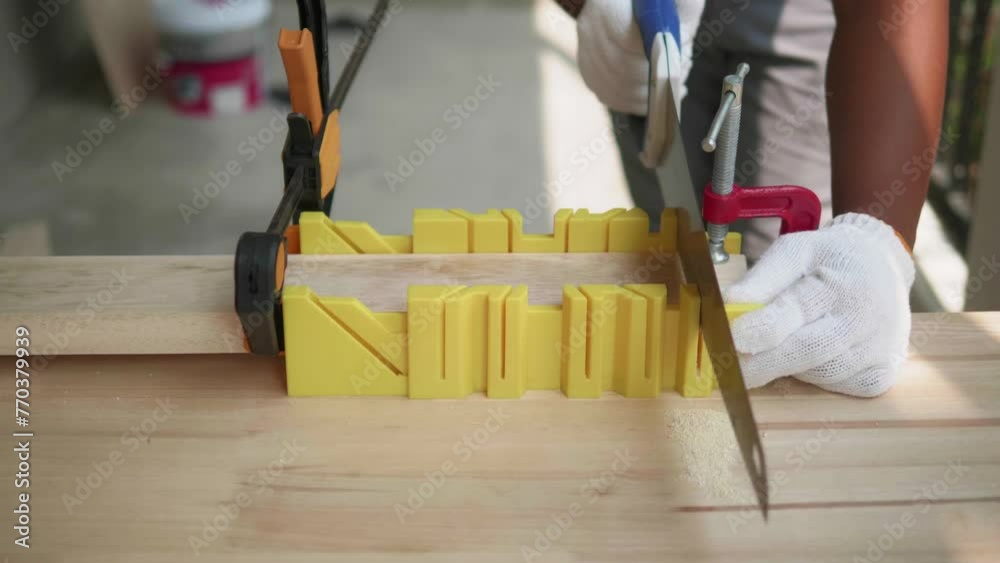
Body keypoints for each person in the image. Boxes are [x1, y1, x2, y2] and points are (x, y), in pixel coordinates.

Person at [572, 0, 947, 397]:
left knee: (775, 299)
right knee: (663, 250)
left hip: (802, 14)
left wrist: (878, 240)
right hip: (648, 13)